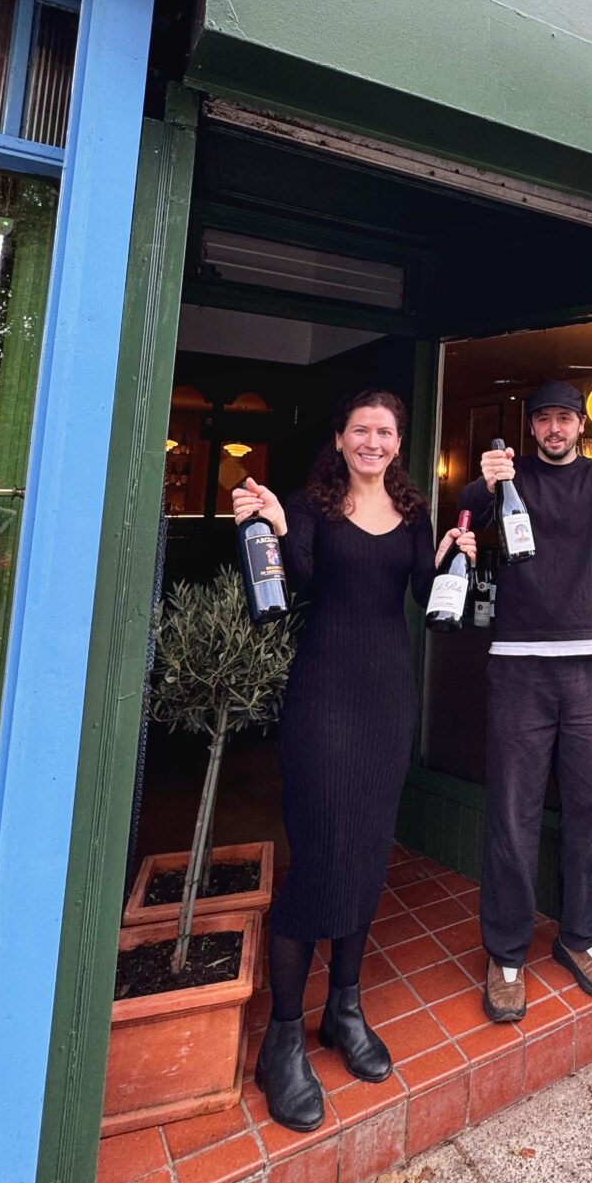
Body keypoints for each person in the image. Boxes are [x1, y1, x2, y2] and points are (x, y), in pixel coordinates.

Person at [233, 389, 474, 1131]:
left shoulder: (413, 513)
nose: (373, 441)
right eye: (361, 429)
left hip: (386, 700)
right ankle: (281, 1038)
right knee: (319, 856)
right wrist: (275, 527)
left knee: (368, 853)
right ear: (339, 438)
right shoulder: (309, 507)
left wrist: (453, 564)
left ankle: (344, 1008)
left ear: (399, 444)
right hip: (323, 698)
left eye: (386, 432)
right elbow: (295, 586)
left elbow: (430, 603)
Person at [457, 381, 592, 1022]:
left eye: (565, 420)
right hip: (518, 668)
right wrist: (486, 482)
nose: (554, 429)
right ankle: (505, 955)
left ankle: (579, 938)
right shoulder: (507, 476)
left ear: (582, 426)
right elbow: (467, 510)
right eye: (544, 420)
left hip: (588, 667)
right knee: (513, 813)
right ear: (531, 428)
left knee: (585, 809)